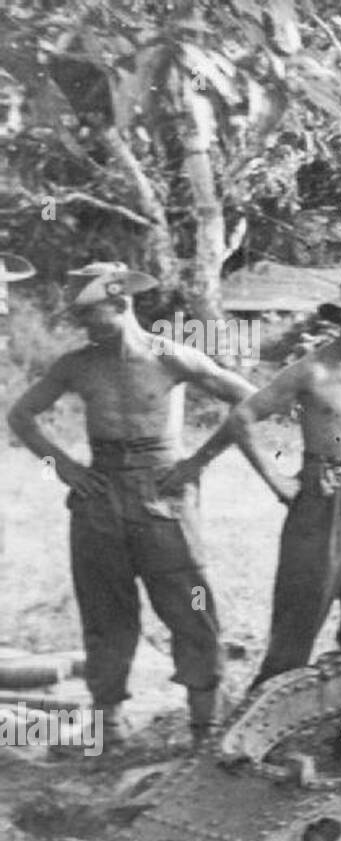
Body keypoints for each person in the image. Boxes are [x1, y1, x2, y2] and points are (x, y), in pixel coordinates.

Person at [6, 262, 257, 747]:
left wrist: (197, 461)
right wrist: (66, 468)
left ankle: (204, 724)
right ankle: (111, 725)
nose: (86, 327)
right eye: (81, 319)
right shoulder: (76, 364)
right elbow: (22, 415)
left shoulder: (173, 358)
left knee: (189, 603)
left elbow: (248, 399)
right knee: (104, 609)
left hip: (162, 495)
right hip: (99, 496)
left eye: (93, 315)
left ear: (122, 304)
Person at [174, 262, 341, 688]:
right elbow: (243, 417)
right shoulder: (312, 370)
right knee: (301, 607)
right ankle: (261, 720)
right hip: (321, 492)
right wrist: (278, 481)